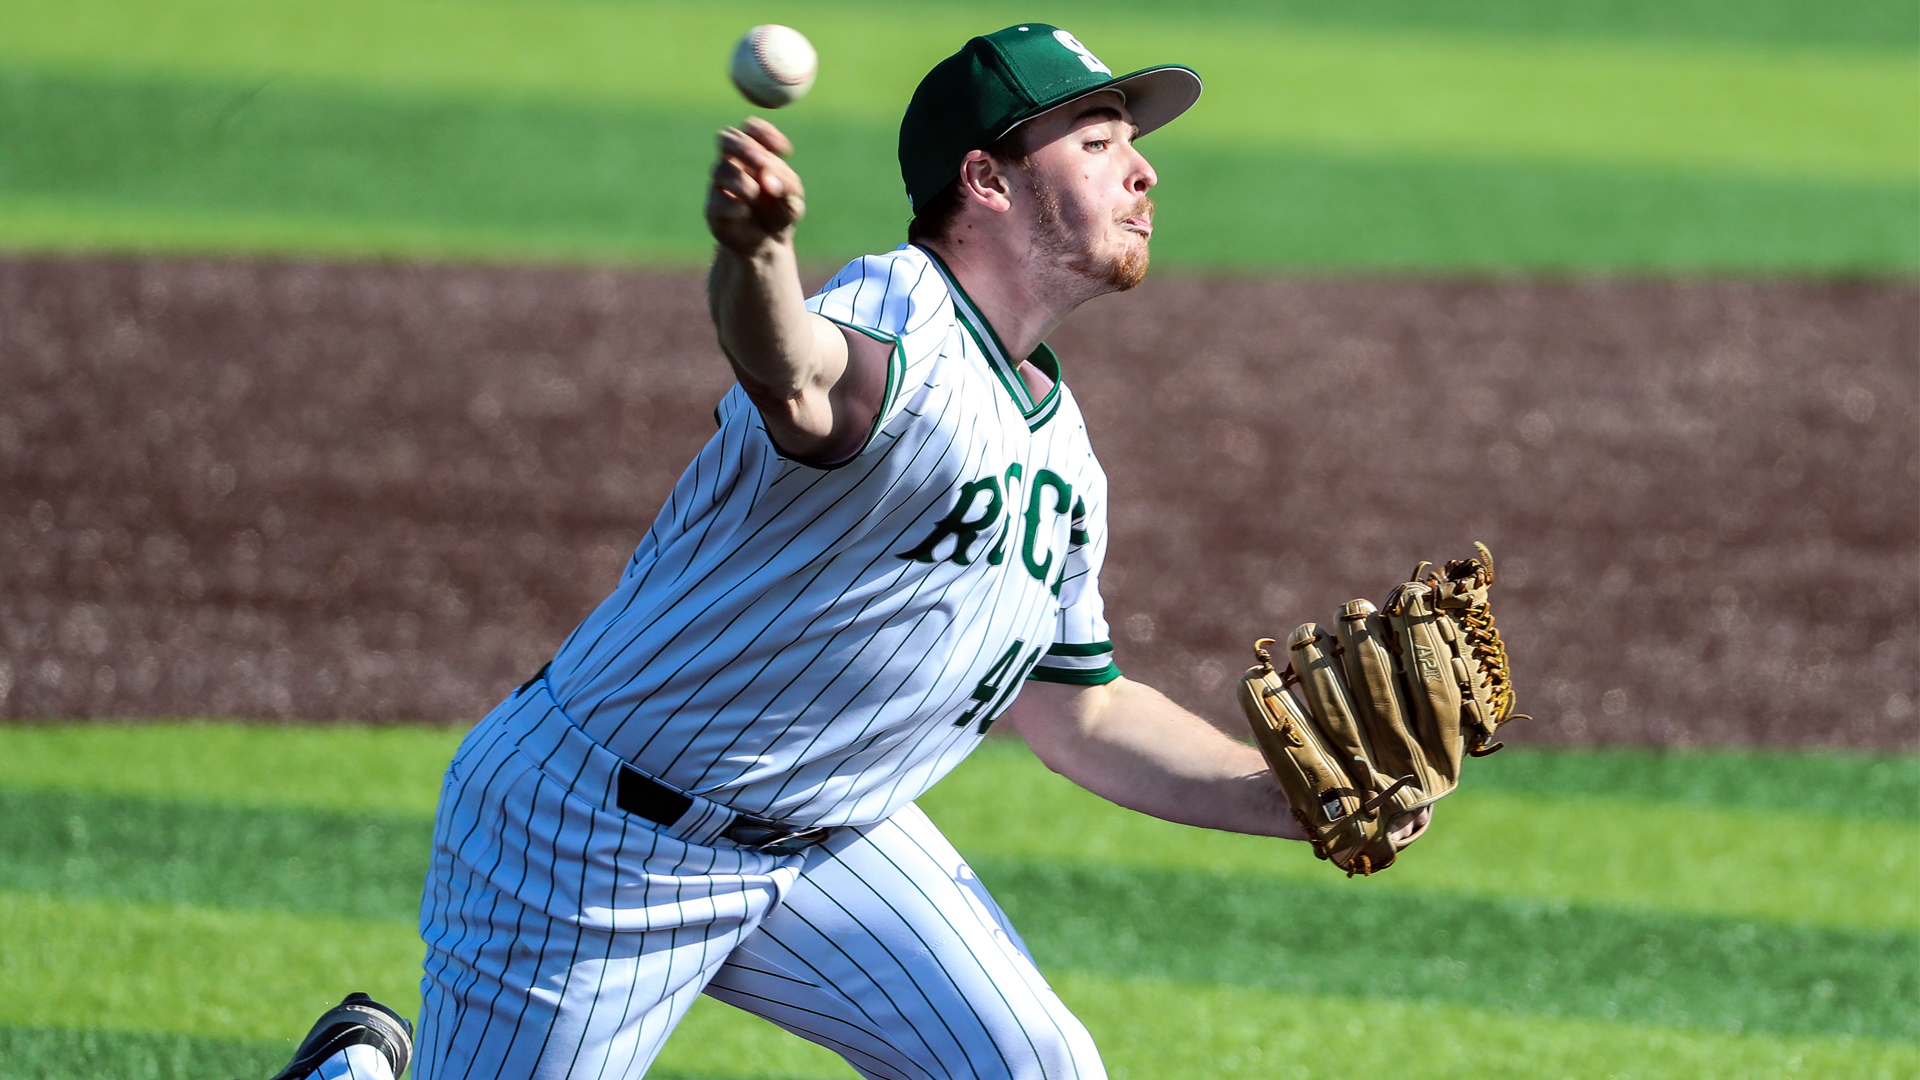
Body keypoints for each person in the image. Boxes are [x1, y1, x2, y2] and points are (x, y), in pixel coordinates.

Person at [268, 23, 1425, 1080]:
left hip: (828, 844)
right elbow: (798, 375)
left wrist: (1292, 799)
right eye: (1099, 138)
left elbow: (1085, 716)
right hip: (595, 841)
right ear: (987, 179)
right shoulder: (903, 311)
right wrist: (759, 250)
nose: (1143, 170)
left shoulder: (1065, 455)